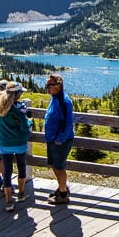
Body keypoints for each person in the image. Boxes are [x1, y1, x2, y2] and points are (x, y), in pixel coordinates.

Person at [0, 81, 32, 212]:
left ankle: (8, 202)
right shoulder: (19, 109)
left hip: (5, 144)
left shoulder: (0, 108)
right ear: (17, 95)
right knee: (21, 167)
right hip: (19, 143)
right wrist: (30, 123)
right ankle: (21, 194)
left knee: (7, 171)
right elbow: (24, 126)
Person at [44, 73, 74, 205]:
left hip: (59, 141)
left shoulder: (64, 101)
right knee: (54, 165)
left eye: (50, 85)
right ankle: (62, 187)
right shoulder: (55, 98)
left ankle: (63, 195)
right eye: (47, 85)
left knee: (59, 167)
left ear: (59, 86)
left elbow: (68, 123)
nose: (48, 87)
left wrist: (60, 139)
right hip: (53, 140)